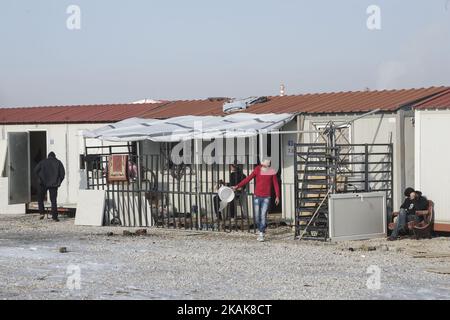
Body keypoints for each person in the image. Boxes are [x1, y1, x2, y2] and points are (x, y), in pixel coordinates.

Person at [233, 159, 280, 242]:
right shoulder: (257, 169)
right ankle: (261, 228)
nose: (266, 164)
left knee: (263, 215)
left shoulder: (271, 171)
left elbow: (275, 184)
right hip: (257, 196)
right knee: (257, 217)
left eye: (268, 163)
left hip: (266, 197)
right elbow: (248, 179)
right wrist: (237, 186)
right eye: (265, 163)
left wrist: (277, 196)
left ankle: (261, 232)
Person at [34, 152, 65, 221]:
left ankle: (42, 213)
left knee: (40, 199)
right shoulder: (58, 162)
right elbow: (62, 174)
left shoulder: (43, 162)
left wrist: (39, 179)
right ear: (55, 156)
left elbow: (35, 170)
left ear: (48, 156)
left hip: (43, 184)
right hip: (54, 185)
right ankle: (55, 217)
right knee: (53, 201)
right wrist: (59, 182)